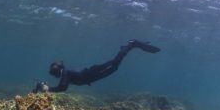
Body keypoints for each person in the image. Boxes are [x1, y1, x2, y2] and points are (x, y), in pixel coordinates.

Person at [33, 39, 161, 93]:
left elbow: (62, 88)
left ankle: (131, 44)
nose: (53, 72)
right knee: (115, 64)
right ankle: (128, 47)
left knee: (115, 64)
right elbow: (63, 85)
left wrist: (47, 88)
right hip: (93, 73)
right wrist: (46, 87)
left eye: (53, 70)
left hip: (94, 73)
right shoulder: (65, 73)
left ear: (57, 70)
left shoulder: (65, 74)